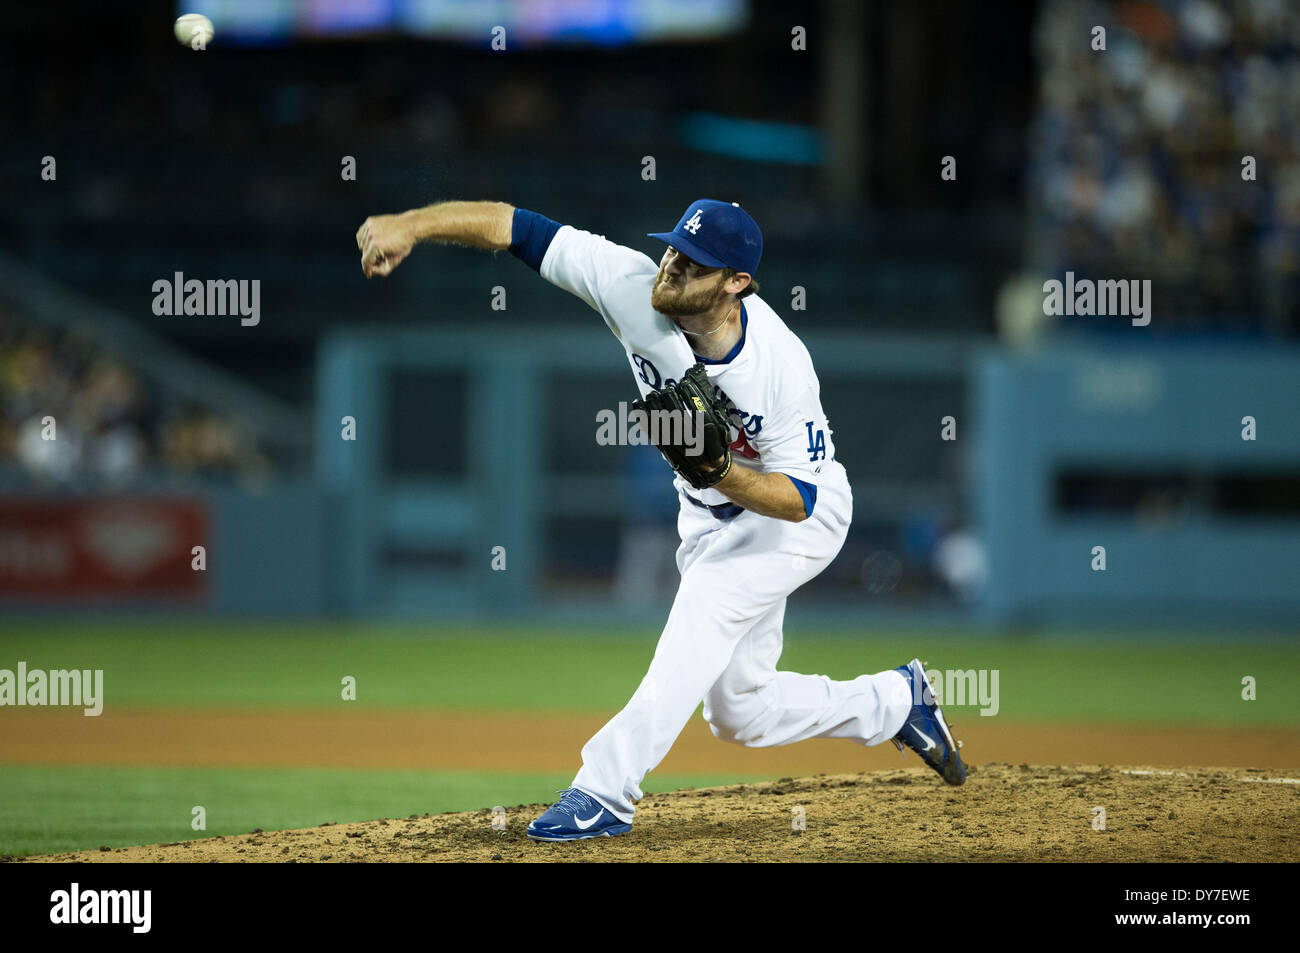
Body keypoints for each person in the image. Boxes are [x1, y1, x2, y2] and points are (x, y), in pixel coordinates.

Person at [356, 199, 966, 841]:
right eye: (673, 247)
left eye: (693, 262)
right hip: (706, 516)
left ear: (736, 284)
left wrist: (721, 473)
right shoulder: (632, 285)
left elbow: (802, 500)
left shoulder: (779, 367)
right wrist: (412, 227)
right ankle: (897, 701)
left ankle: (604, 789)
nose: (671, 267)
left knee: (706, 604)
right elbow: (518, 227)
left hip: (797, 520)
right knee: (740, 713)